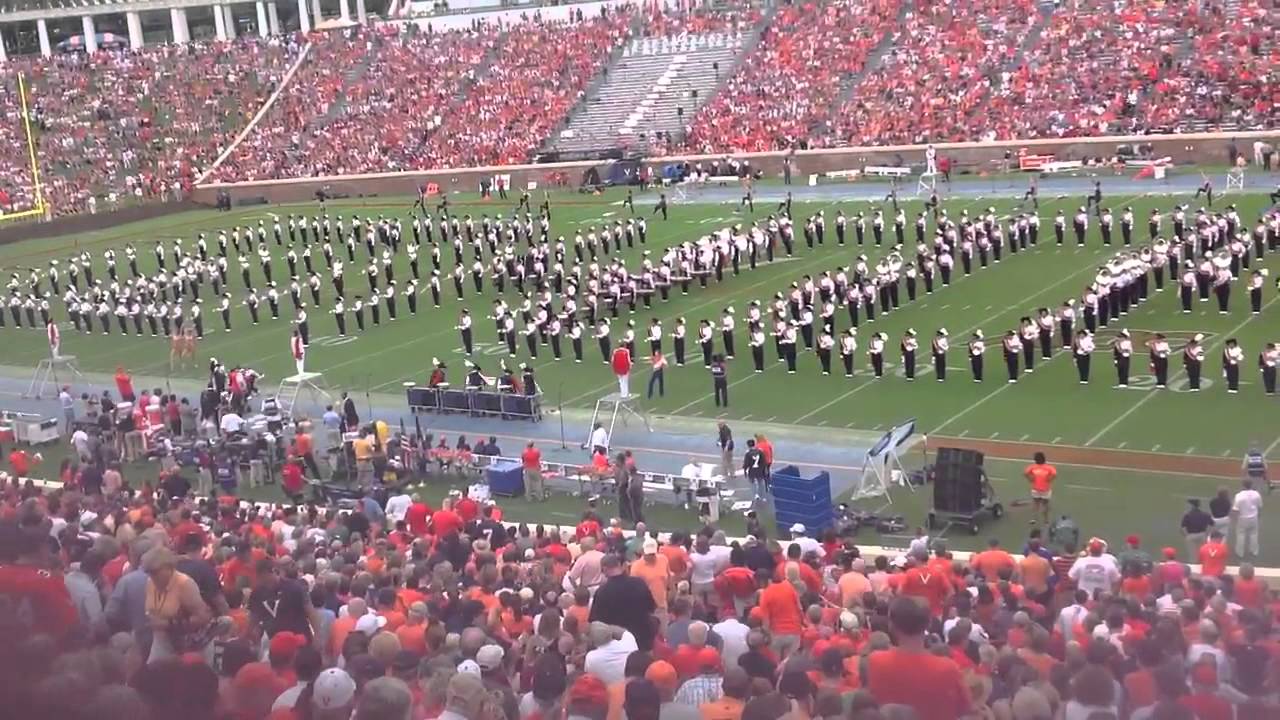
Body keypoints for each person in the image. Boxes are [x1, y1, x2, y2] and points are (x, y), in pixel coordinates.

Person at [867, 597, 970, 720]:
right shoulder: (948, 668)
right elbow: (965, 708)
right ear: (929, 624)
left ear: (891, 625)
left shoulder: (876, 661)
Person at [1231, 478, 1263, 558]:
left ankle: (1240, 553)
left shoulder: (1239, 496)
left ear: (1243, 485)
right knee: (1254, 534)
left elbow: (1235, 509)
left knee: (1241, 535)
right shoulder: (1256, 494)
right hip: (1253, 517)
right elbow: (1259, 506)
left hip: (1242, 518)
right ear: (1251, 485)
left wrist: (1234, 519)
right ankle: (1254, 551)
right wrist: (1259, 515)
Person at [1023, 452, 1057, 526]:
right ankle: (1046, 521)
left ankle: (1034, 519)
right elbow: (1054, 474)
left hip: (1035, 489)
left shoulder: (1032, 467)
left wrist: (1030, 479)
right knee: (1045, 505)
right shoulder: (1048, 467)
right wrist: (1049, 479)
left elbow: (1025, 473)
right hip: (1046, 490)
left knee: (1036, 504)